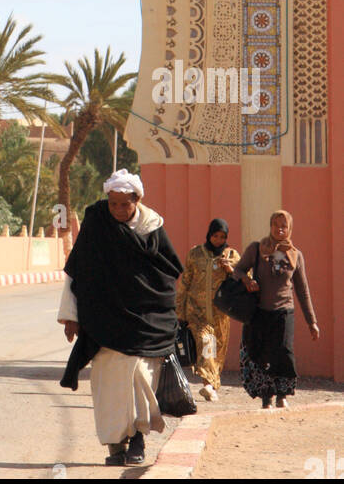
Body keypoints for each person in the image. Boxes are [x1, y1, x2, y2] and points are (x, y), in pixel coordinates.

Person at [58, 169, 182, 467]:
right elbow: (78, 269)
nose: (117, 210)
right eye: (113, 203)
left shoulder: (152, 227)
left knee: (140, 376)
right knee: (109, 386)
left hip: (145, 323)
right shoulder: (97, 222)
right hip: (104, 322)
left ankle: (138, 437)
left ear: (136, 200)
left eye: (124, 204)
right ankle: (116, 445)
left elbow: (167, 272)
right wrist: (71, 315)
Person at [232, 209, 320, 410]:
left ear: (290, 229)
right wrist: (247, 280)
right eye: (276, 225)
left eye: (284, 226)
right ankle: (267, 396)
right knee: (262, 354)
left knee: (284, 353)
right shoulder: (257, 249)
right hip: (260, 312)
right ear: (270, 226)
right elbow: (238, 270)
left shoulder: (295, 255)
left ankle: (282, 395)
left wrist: (311, 321)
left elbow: (302, 290)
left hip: (284, 312)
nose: (280, 229)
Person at [176, 218, 240, 401]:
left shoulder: (232, 255)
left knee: (217, 352)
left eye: (222, 237)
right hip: (196, 312)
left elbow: (244, 278)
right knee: (206, 343)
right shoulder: (196, 254)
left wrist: (229, 269)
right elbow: (185, 282)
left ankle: (212, 385)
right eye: (215, 236)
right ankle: (208, 386)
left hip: (220, 314)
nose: (218, 240)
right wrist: (180, 311)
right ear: (209, 235)